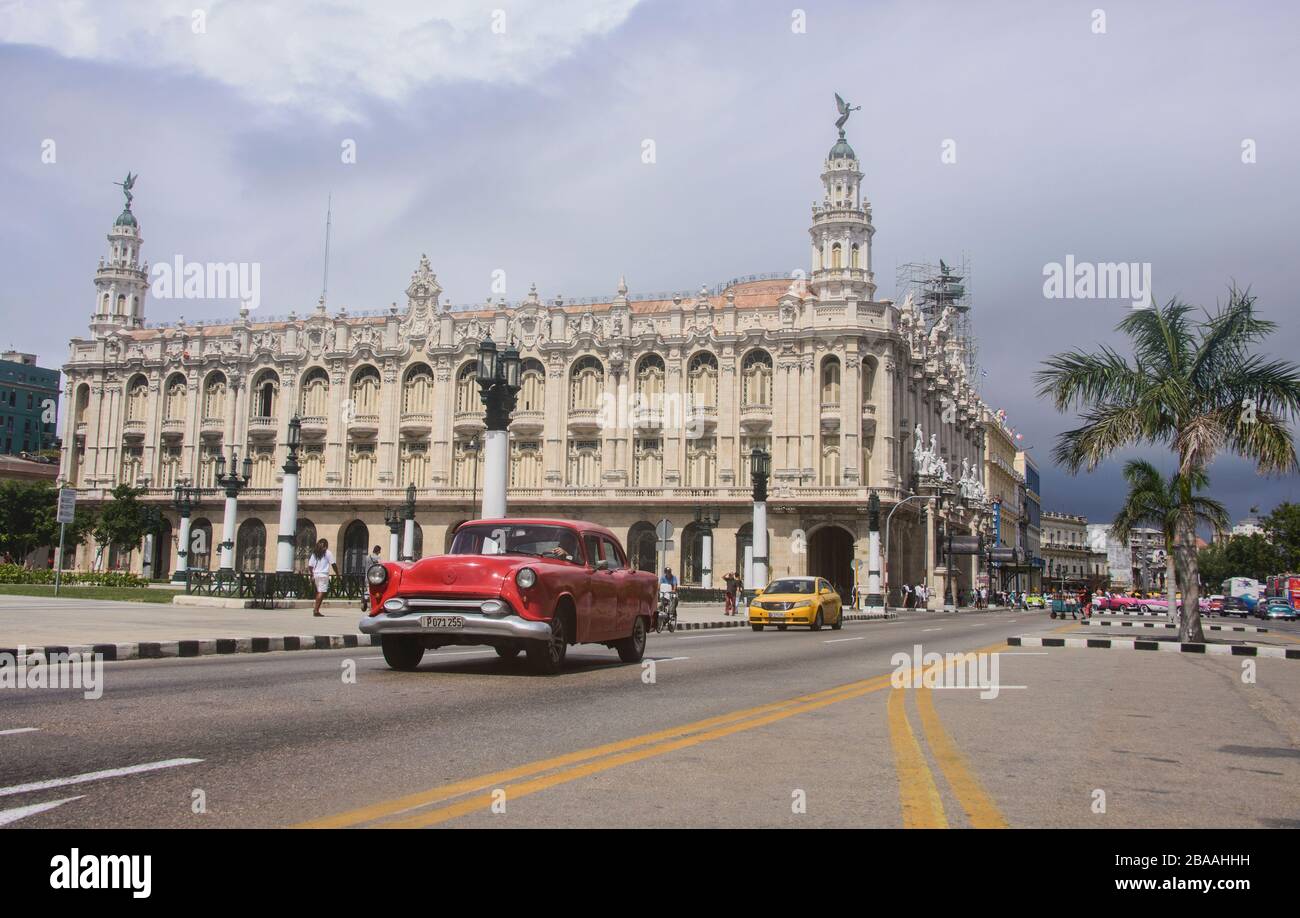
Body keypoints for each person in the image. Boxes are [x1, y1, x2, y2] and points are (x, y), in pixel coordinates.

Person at [308, 539, 337, 617]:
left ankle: (316, 609)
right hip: (323, 574)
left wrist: (312, 574)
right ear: (326, 545)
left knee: (319, 591)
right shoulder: (328, 553)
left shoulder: (315, 553)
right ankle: (316, 610)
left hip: (316, 574)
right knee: (322, 592)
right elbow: (333, 564)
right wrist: (337, 573)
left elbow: (310, 566)